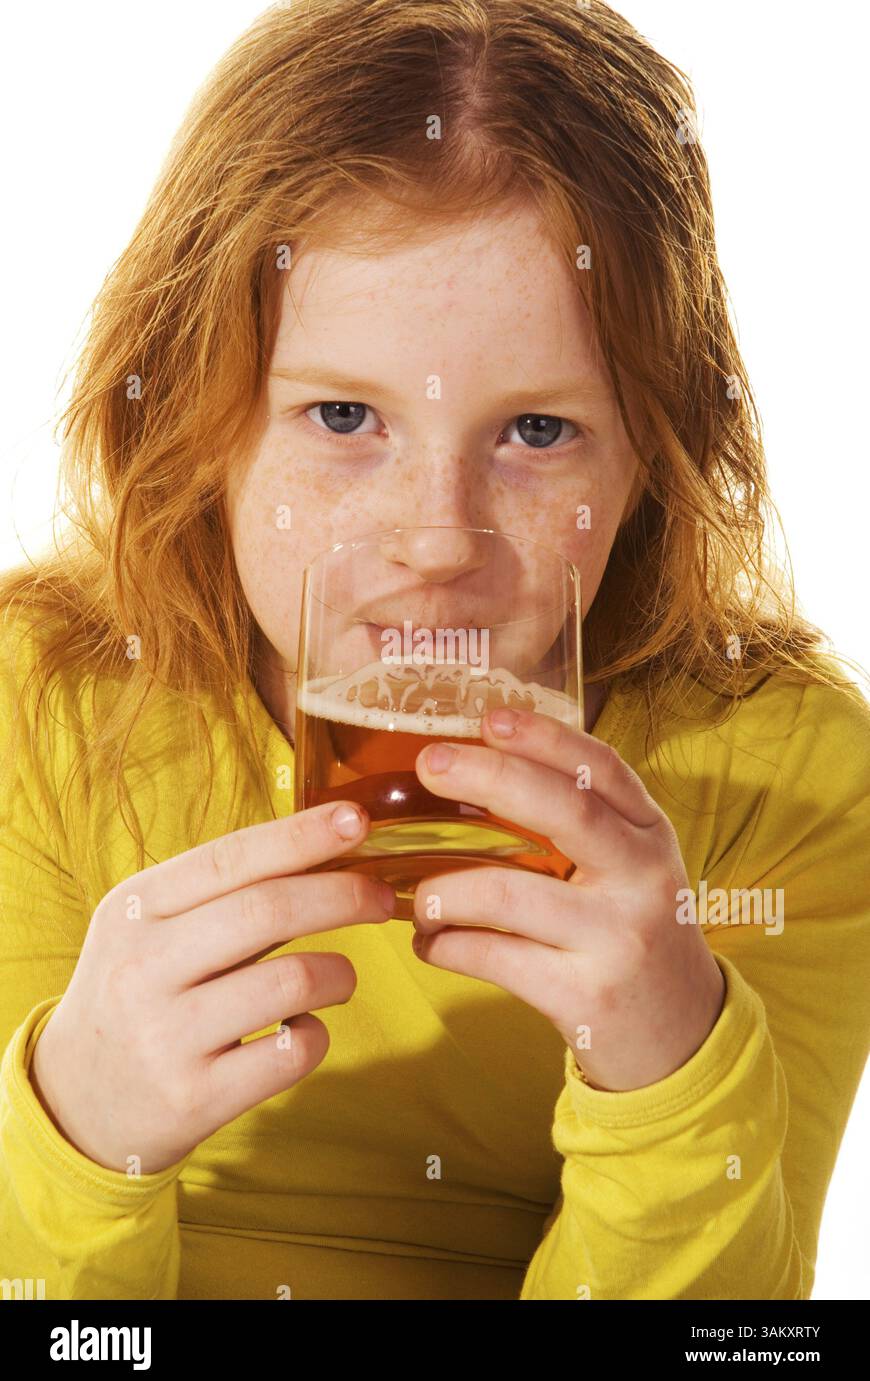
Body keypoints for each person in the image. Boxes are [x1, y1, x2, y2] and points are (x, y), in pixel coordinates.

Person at [1, 0, 868, 1301]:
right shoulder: (38, 717)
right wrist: (74, 1126)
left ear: (656, 452)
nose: (435, 541)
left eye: (536, 432)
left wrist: (673, 1073)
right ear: (196, 416)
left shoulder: (784, 783)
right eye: (343, 414)